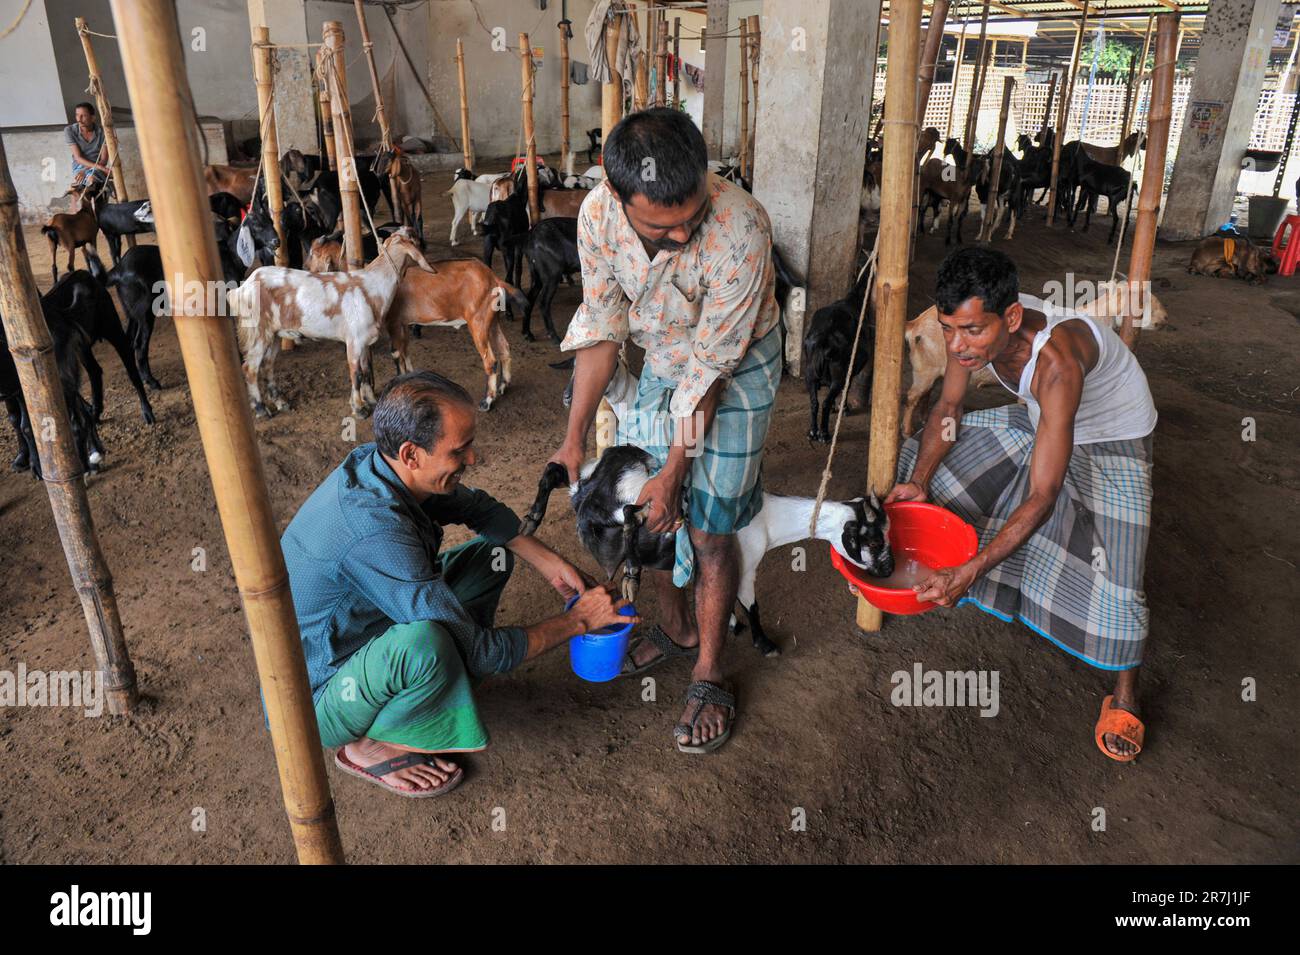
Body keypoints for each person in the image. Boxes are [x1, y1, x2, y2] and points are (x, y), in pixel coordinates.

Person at [549, 107, 782, 754]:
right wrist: (573, 437)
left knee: (706, 520)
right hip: (665, 352)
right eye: (662, 224)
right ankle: (675, 624)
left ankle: (709, 668)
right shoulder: (596, 218)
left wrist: (675, 470)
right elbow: (600, 327)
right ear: (617, 195)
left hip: (739, 360)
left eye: (691, 215)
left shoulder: (741, 229)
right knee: (646, 506)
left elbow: (711, 373)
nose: (682, 234)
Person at [282, 371, 635, 797]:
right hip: (315, 695)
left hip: (365, 627)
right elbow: (481, 649)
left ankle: (442, 681)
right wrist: (579, 622)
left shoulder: (384, 466)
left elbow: (477, 508)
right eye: (460, 449)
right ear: (412, 453)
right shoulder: (372, 527)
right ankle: (368, 746)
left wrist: (550, 563)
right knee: (424, 645)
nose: (472, 458)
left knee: (492, 556)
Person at [886, 248, 1157, 762]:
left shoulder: (1057, 361)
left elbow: (1043, 494)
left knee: (1122, 571)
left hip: (1114, 438)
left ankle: (1125, 693)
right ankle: (991, 576)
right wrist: (920, 480)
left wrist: (970, 568)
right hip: (1045, 422)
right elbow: (947, 408)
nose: (958, 346)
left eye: (971, 331)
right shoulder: (970, 340)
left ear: (1011, 318)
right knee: (923, 459)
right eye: (948, 328)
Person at [64, 102, 109, 191]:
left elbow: (103, 160)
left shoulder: (103, 131)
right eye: (77, 115)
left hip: (98, 165)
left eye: (83, 116)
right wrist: (85, 170)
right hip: (80, 167)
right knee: (88, 183)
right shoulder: (70, 130)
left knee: (92, 179)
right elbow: (78, 158)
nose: (79, 119)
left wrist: (95, 168)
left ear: (92, 118)